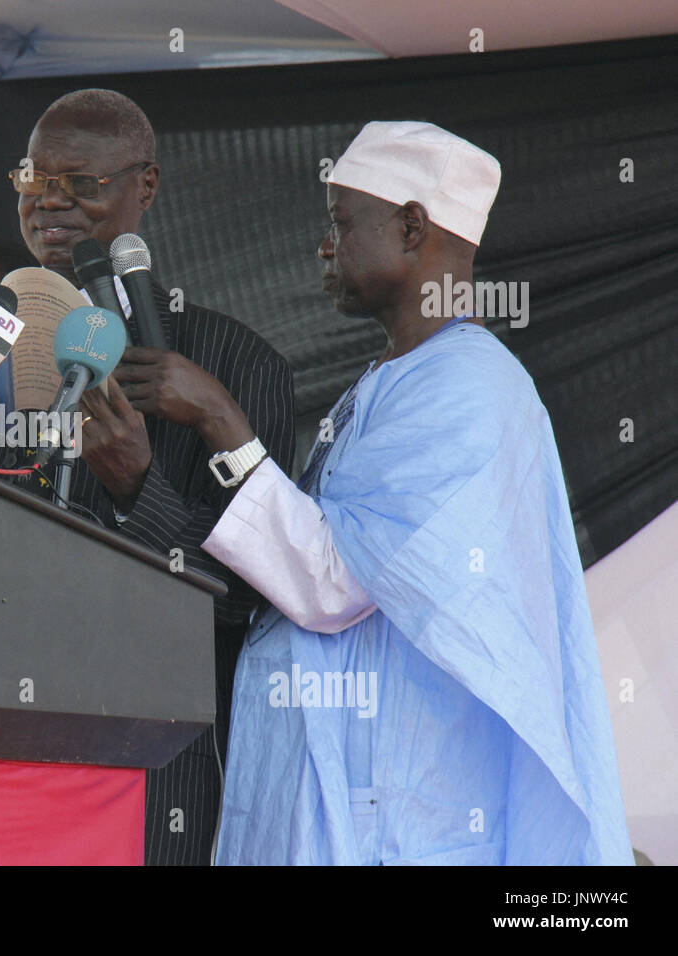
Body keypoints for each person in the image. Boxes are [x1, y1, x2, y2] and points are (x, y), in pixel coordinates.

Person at [201, 121, 633, 864]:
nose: (323, 246)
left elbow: (330, 583)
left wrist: (221, 427)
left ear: (411, 226)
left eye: (340, 224)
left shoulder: (468, 390)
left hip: (397, 820)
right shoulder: (393, 380)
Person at [9, 89, 296, 865]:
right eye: (36, 179)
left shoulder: (229, 367)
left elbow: (253, 600)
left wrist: (142, 488)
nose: (50, 202)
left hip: (155, 782)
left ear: (147, 186)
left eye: (82, 183)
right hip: (5, 767)